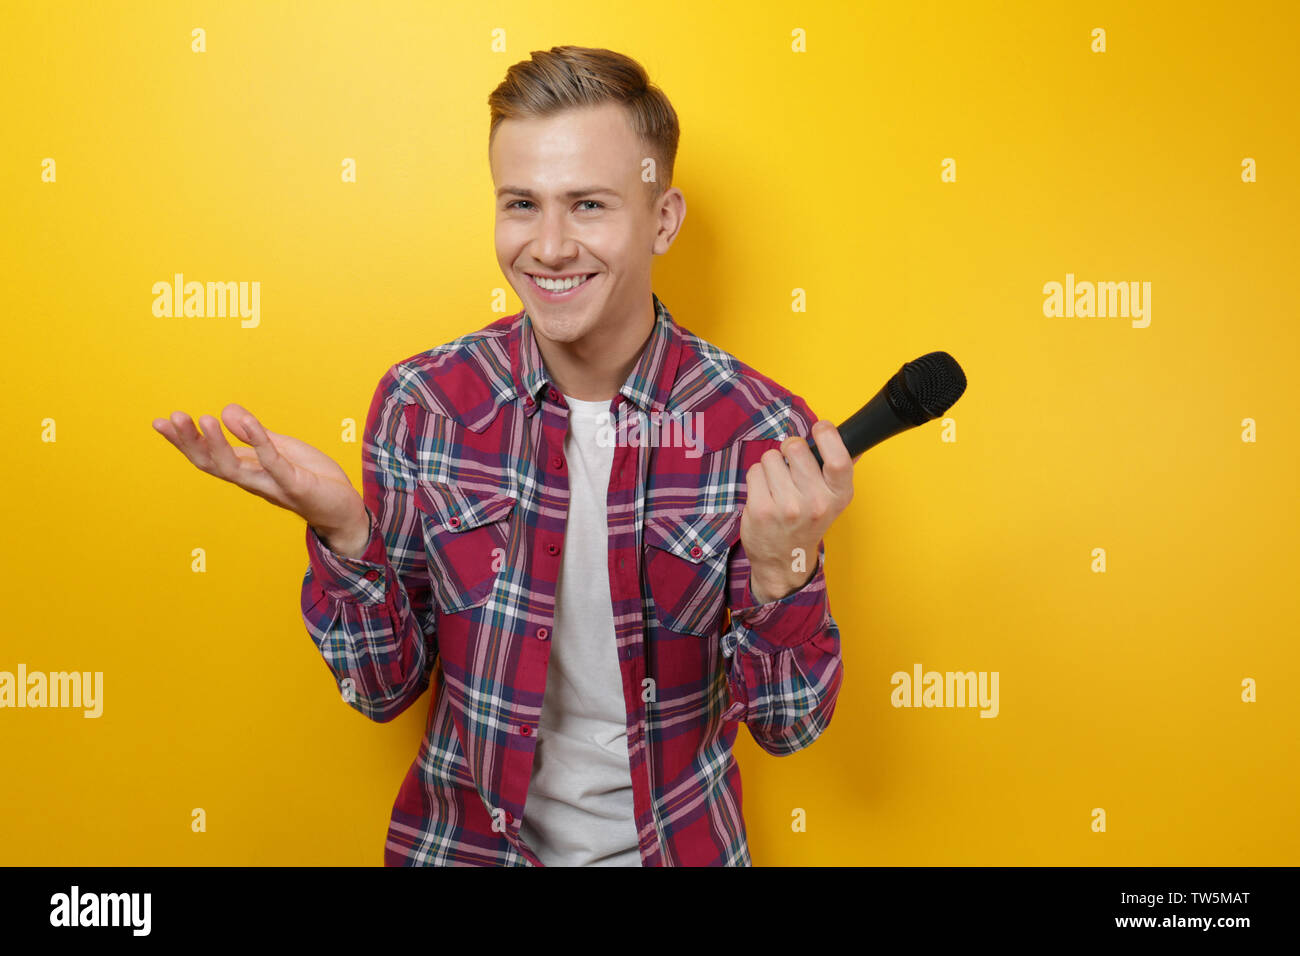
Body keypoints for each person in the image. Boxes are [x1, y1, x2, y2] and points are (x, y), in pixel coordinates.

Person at [152, 45, 854, 866]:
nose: (549, 247)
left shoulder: (757, 427)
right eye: (522, 203)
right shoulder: (425, 404)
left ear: (662, 218)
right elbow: (383, 692)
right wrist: (347, 537)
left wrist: (782, 573)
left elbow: (789, 726)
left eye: (589, 205)